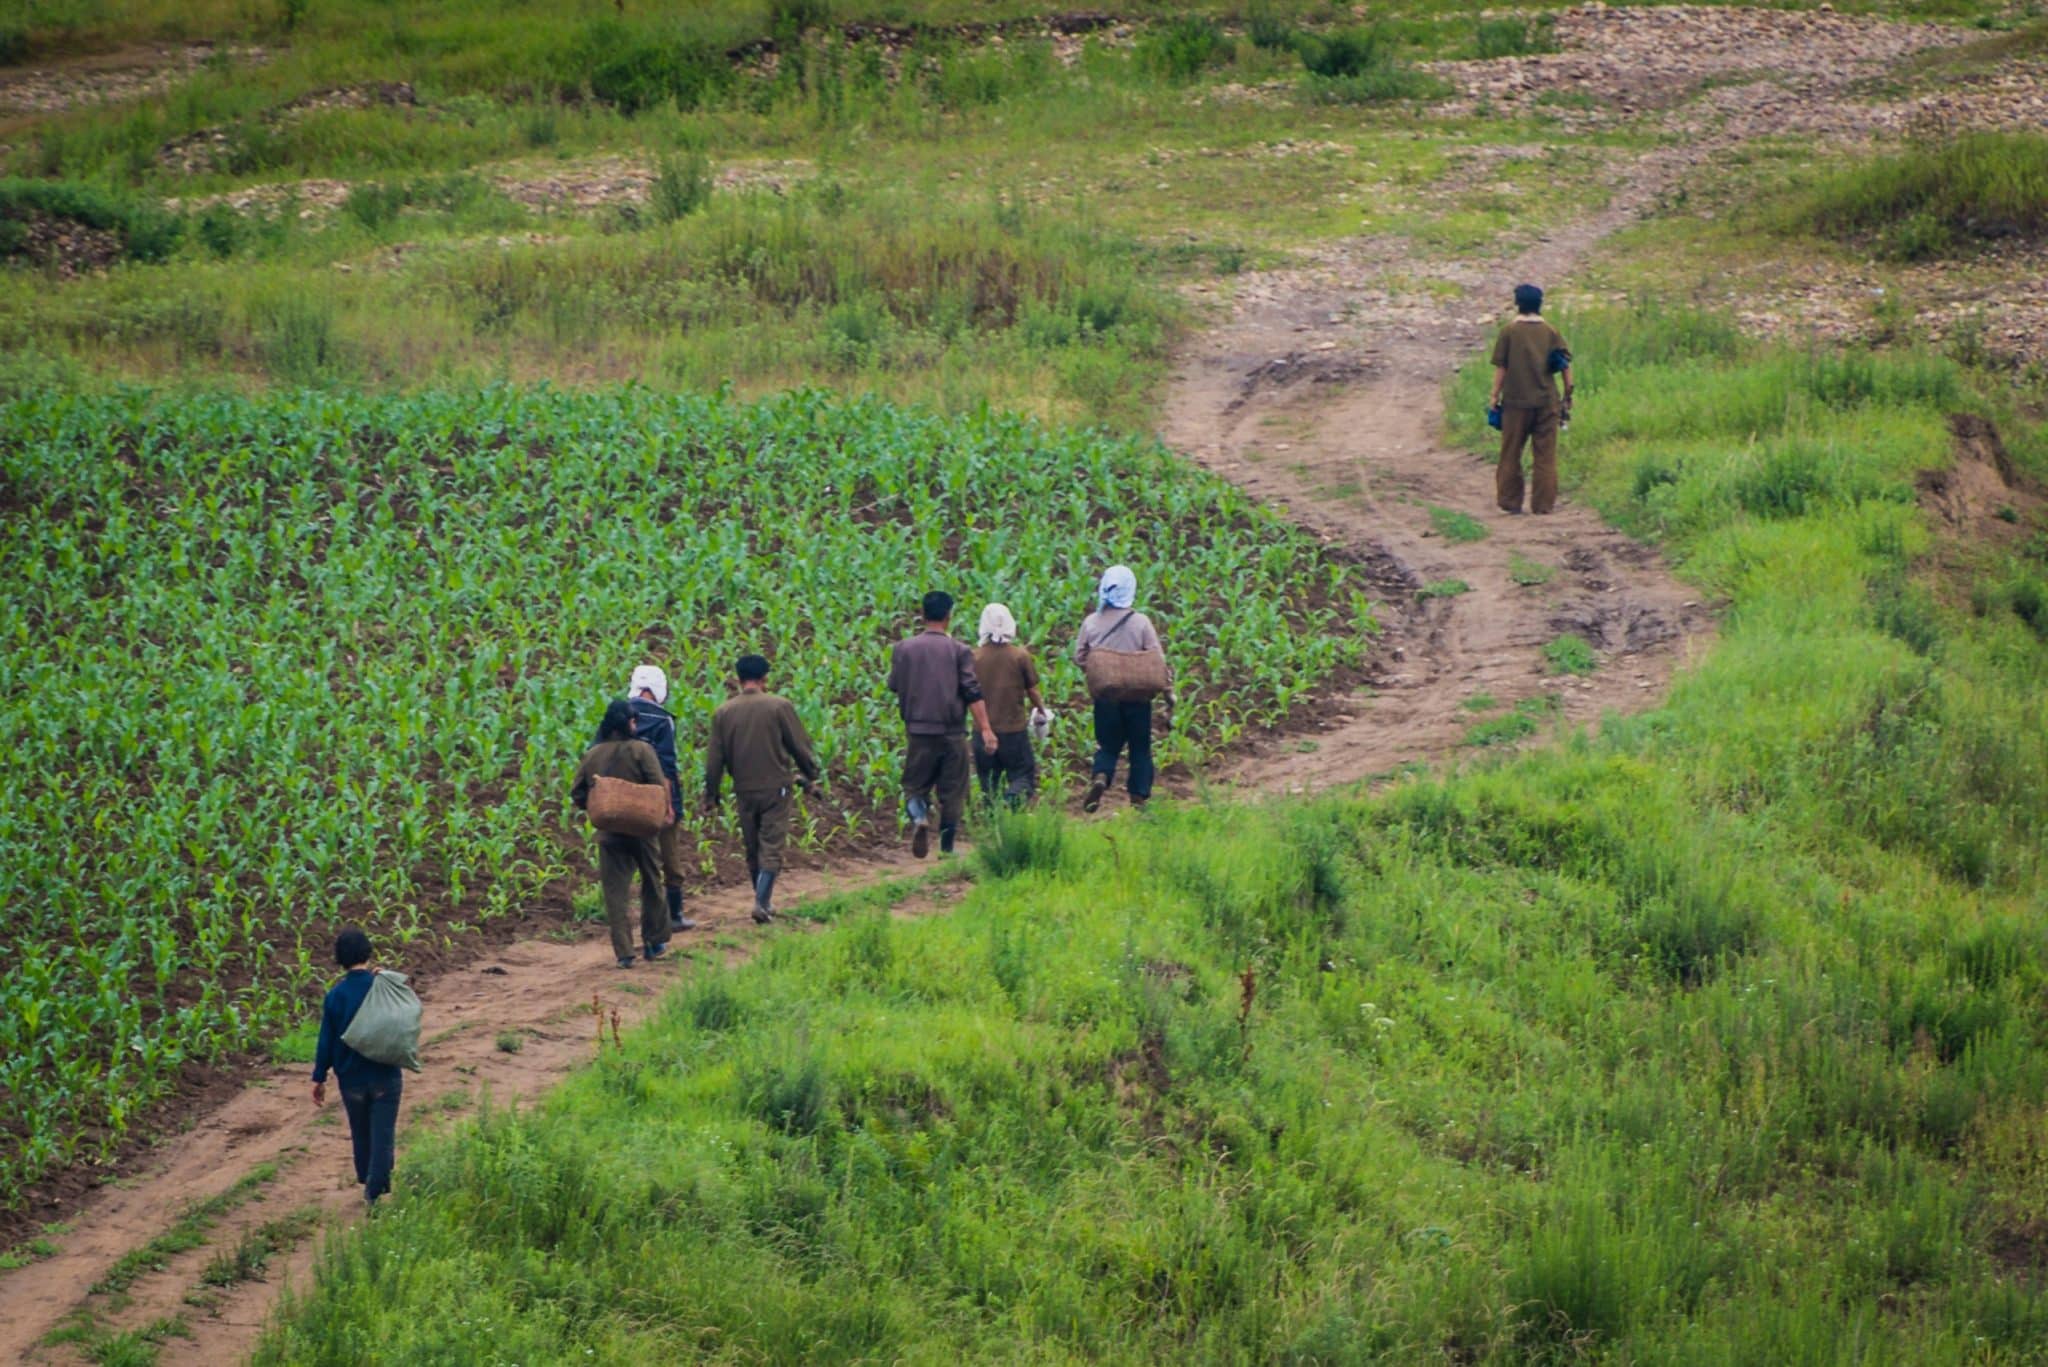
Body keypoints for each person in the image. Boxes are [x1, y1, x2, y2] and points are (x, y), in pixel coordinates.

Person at [703, 654, 821, 924]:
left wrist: (711, 795)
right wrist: (811, 774)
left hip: (743, 790)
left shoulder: (723, 713)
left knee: (753, 845)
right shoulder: (779, 706)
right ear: (765, 678)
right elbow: (798, 746)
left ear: (737, 679)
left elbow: (714, 759)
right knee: (772, 845)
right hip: (775, 788)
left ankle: (762, 901)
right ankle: (762, 903)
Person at [887, 590, 998, 858]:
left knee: (914, 786)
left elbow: (893, 684)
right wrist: (985, 728)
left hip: (918, 731)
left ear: (922, 614)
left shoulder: (903, 649)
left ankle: (918, 818)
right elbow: (971, 691)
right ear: (948, 617)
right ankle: (947, 850)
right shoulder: (959, 651)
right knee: (953, 792)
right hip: (952, 732)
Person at [571, 699, 675, 967]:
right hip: (643, 829)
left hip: (609, 830)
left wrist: (599, 805)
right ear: (629, 724)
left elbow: (577, 792)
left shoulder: (593, 754)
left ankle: (625, 953)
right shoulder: (642, 750)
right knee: (652, 882)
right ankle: (654, 941)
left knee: (615, 892)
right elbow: (657, 785)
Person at [311, 927, 403, 1209]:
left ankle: (369, 1178)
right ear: (368, 952)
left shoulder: (335, 996)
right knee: (383, 1133)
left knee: (361, 1131)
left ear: (339, 959)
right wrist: (384, 978)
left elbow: (326, 1039)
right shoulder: (382, 987)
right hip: (385, 1074)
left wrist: (319, 1077)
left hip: (351, 1078)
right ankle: (376, 1187)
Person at [1073, 565, 1172, 813]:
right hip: (1138, 698)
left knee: (1107, 745)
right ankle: (1138, 797)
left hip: (1107, 697)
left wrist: (1098, 668)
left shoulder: (1092, 622)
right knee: (1140, 748)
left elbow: (1079, 656)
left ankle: (1101, 777)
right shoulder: (1140, 622)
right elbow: (1157, 658)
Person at [1488, 282, 1574, 516]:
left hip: (1516, 403)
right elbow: (1565, 365)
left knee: (1511, 453)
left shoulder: (1509, 332)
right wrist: (1568, 394)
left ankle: (1510, 502)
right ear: (1540, 304)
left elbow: (1502, 367)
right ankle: (1543, 505)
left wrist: (1494, 395)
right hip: (1547, 401)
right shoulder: (1550, 331)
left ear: (1518, 304)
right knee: (1545, 456)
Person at [625, 664, 693, 933]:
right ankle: (673, 916)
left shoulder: (619, 713)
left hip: (625, 796)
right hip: (656, 798)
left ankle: (626, 919)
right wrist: (671, 805)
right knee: (669, 859)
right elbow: (667, 766)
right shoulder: (663, 720)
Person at [972, 602, 1048, 807]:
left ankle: (993, 823)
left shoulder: (974, 657)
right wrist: (1041, 710)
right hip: (1013, 730)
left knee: (988, 783)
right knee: (1023, 775)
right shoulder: (1019, 656)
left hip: (982, 732)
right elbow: (1032, 690)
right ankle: (1011, 803)